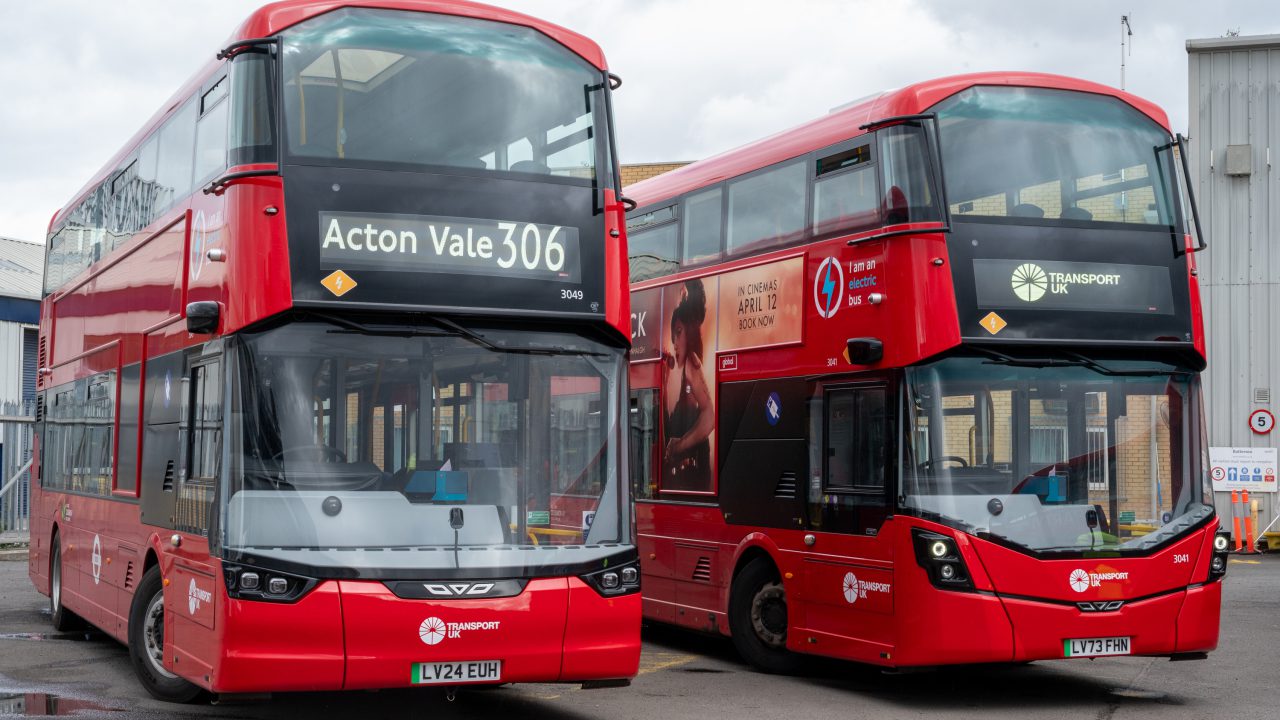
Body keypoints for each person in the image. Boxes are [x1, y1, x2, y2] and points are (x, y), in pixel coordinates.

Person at [663, 279, 713, 490]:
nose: (675, 342)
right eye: (673, 334)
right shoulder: (680, 371)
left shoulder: (692, 363)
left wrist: (678, 447)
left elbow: (710, 416)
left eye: (679, 332)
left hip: (693, 473)